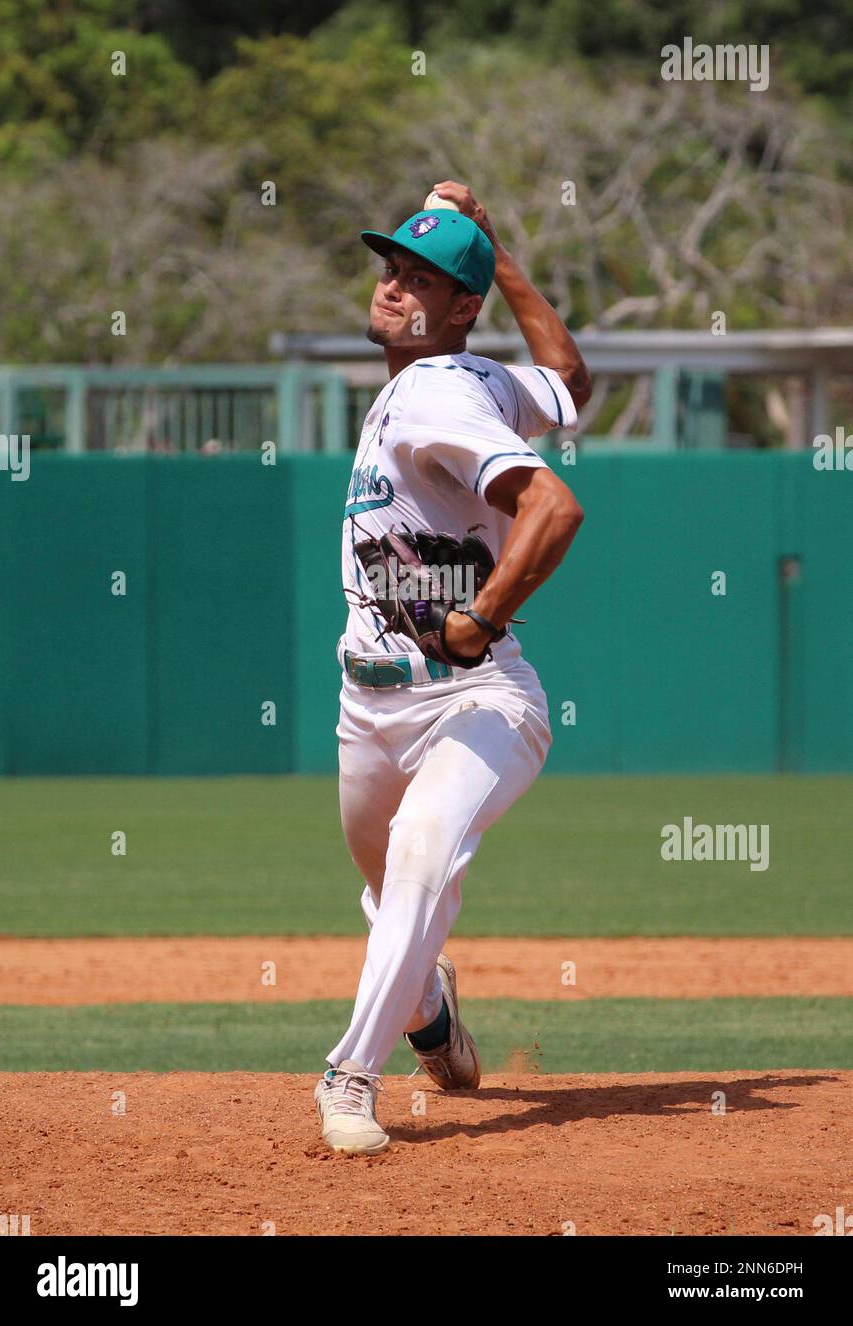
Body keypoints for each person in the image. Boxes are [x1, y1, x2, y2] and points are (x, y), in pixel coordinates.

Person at [315, 181, 591, 1153]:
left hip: (479, 697)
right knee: (390, 881)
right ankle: (427, 1012)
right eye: (390, 270)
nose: (393, 288)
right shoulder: (474, 378)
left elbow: (553, 506)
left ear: (458, 308)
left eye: (421, 278)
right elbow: (568, 378)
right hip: (368, 708)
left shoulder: (437, 391)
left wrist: (479, 615)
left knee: (423, 851)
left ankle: (348, 1078)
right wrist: (494, 248)